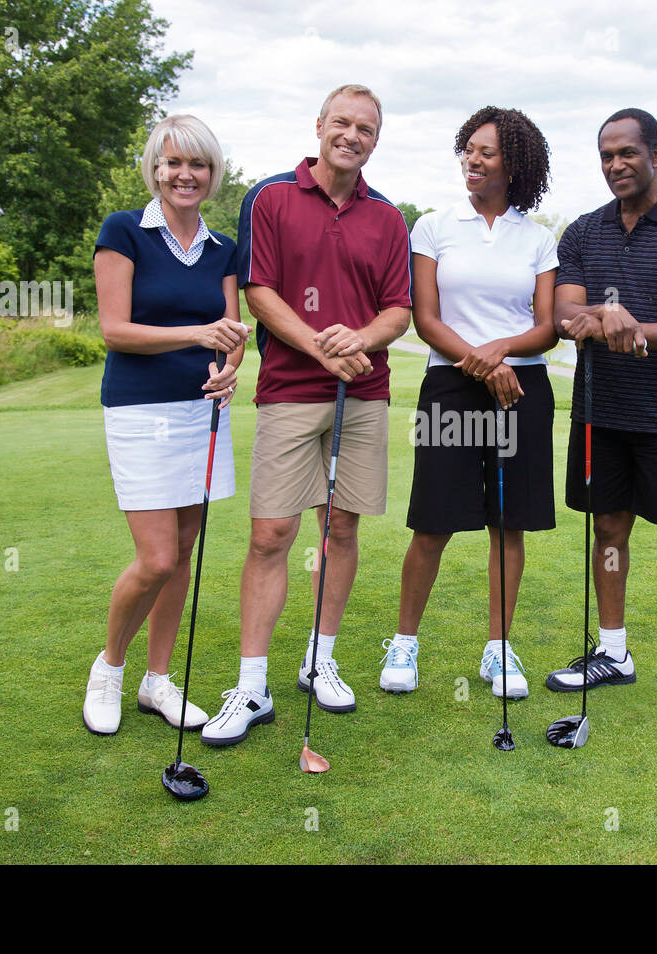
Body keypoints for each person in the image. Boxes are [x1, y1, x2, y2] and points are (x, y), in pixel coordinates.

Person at [201, 84, 412, 746]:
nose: (352, 136)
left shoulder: (388, 217)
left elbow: (398, 310)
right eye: (342, 123)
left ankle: (321, 660)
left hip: (364, 393)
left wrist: (363, 340)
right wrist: (322, 344)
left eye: (366, 129)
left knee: (342, 528)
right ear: (319, 126)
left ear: (376, 140)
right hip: (291, 390)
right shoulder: (270, 197)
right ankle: (252, 685)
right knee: (271, 535)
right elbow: (259, 291)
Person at [547, 107, 657, 736]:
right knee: (609, 533)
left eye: (627, 153)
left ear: (656, 154)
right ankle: (614, 652)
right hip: (601, 414)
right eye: (605, 156)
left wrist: (633, 328)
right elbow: (565, 316)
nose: (615, 165)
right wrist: (602, 313)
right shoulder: (583, 233)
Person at [380, 106, 558, 698]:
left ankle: (499, 651)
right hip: (453, 384)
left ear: (517, 163)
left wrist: (502, 353)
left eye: (488, 152)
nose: (473, 160)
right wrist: (482, 365)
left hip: (521, 389)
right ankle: (404, 643)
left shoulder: (538, 238)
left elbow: (547, 327)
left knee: (509, 527)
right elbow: (426, 321)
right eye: (469, 149)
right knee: (433, 521)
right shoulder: (432, 226)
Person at [83, 114, 249, 736]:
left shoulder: (223, 247)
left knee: (183, 552)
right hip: (139, 410)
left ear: (212, 175)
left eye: (198, 164)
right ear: (155, 169)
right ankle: (110, 667)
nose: (185, 174)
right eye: (173, 163)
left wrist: (230, 367)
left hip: (199, 412)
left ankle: (158, 681)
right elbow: (115, 330)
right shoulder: (124, 231)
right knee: (155, 558)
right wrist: (196, 334)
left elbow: (232, 334)